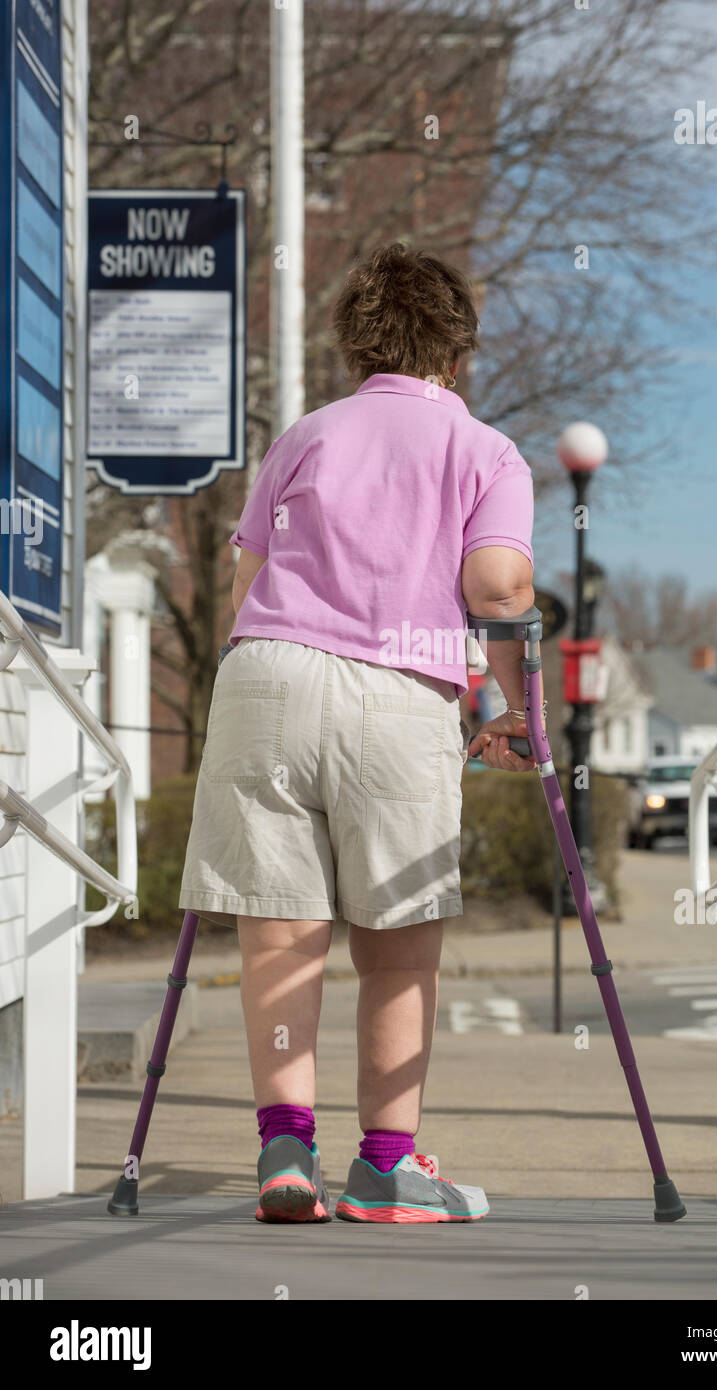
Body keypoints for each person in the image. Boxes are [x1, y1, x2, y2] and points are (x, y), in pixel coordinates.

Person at [179, 242, 542, 1224]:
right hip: (395, 689)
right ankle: (383, 1166)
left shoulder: (305, 435)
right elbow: (499, 585)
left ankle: (285, 1153)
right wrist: (516, 707)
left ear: (352, 344)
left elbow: (246, 580)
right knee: (395, 944)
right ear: (456, 353)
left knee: (280, 932)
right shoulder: (486, 453)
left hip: (266, 679)